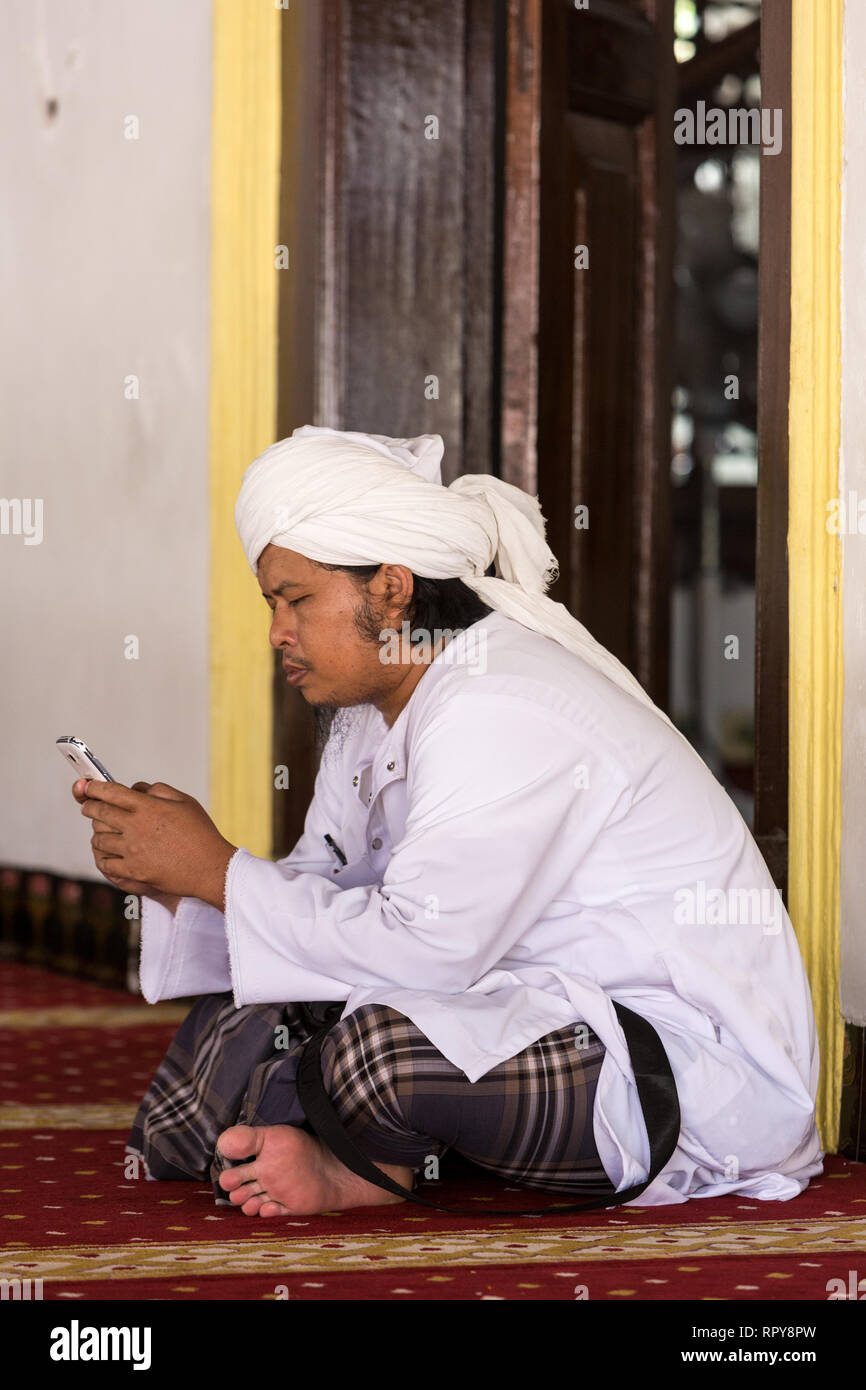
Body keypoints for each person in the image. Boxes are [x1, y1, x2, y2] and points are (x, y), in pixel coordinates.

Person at [75, 425, 823, 1217]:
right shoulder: (371, 712)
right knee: (238, 1030)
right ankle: (354, 1139)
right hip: (512, 1001)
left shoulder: (498, 701)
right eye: (271, 604)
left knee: (378, 1055)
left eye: (296, 601)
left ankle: (360, 1170)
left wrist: (216, 871)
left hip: (668, 1062)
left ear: (391, 590)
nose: (277, 634)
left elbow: (425, 952)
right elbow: (320, 895)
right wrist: (174, 875)